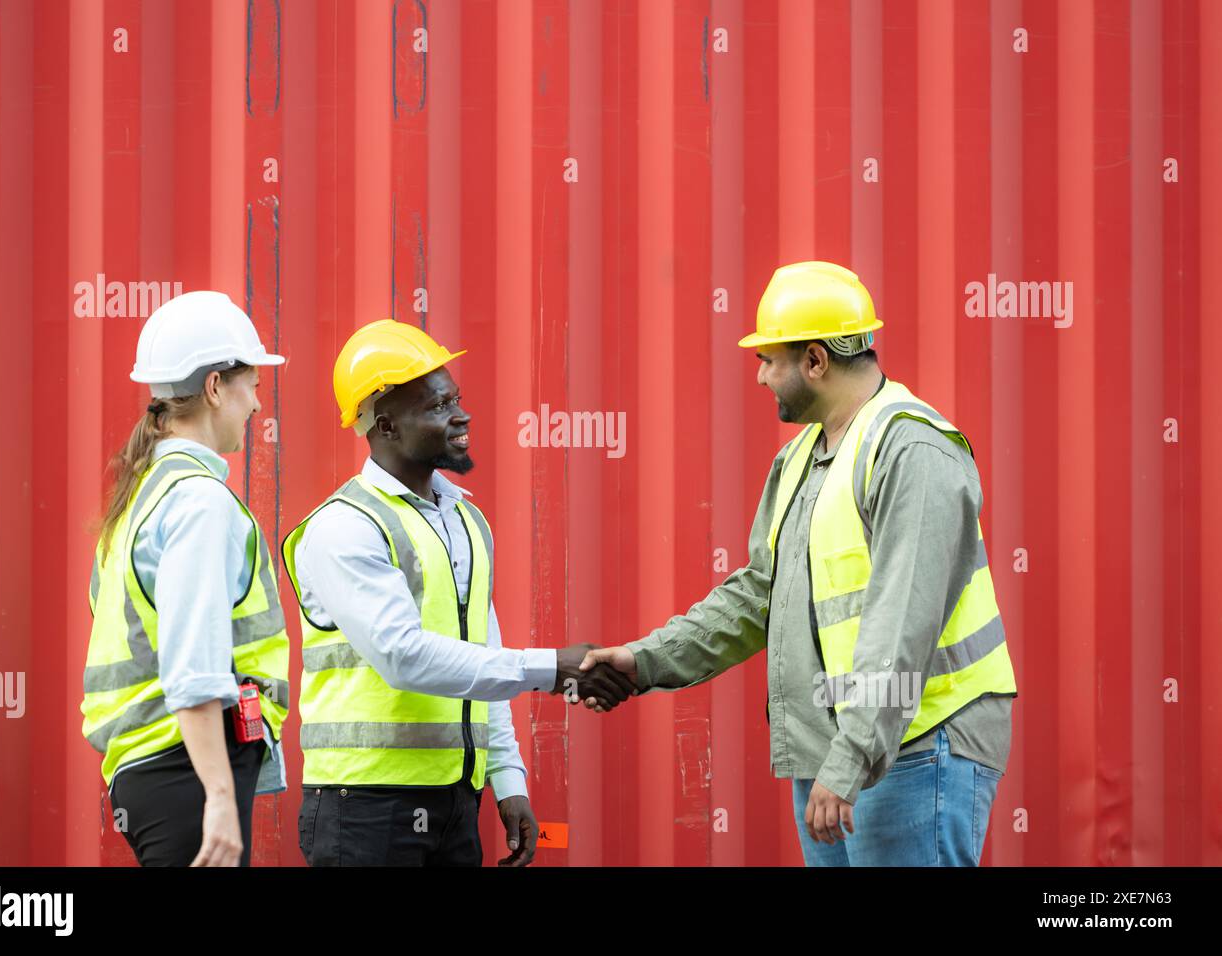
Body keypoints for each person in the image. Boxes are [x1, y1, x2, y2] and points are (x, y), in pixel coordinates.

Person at [581, 261, 1018, 866]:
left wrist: (851, 758)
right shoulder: (801, 459)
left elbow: (902, 623)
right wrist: (644, 660)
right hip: (843, 752)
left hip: (918, 744)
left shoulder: (912, 451)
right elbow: (760, 595)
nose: (761, 377)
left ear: (815, 360)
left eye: (769, 360)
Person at [280, 319, 634, 867]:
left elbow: (482, 650)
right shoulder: (344, 526)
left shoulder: (465, 519)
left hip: (453, 802)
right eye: (438, 406)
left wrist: (507, 778)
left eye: (456, 398)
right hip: (365, 809)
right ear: (387, 426)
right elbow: (402, 656)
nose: (461, 415)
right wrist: (552, 668)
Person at [82, 290, 291, 867]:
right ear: (215, 387)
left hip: (155, 769)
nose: (256, 405)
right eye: (251, 385)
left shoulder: (143, 496)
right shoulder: (198, 500)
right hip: (185, 771)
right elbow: (193, 662)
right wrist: (220, 796)